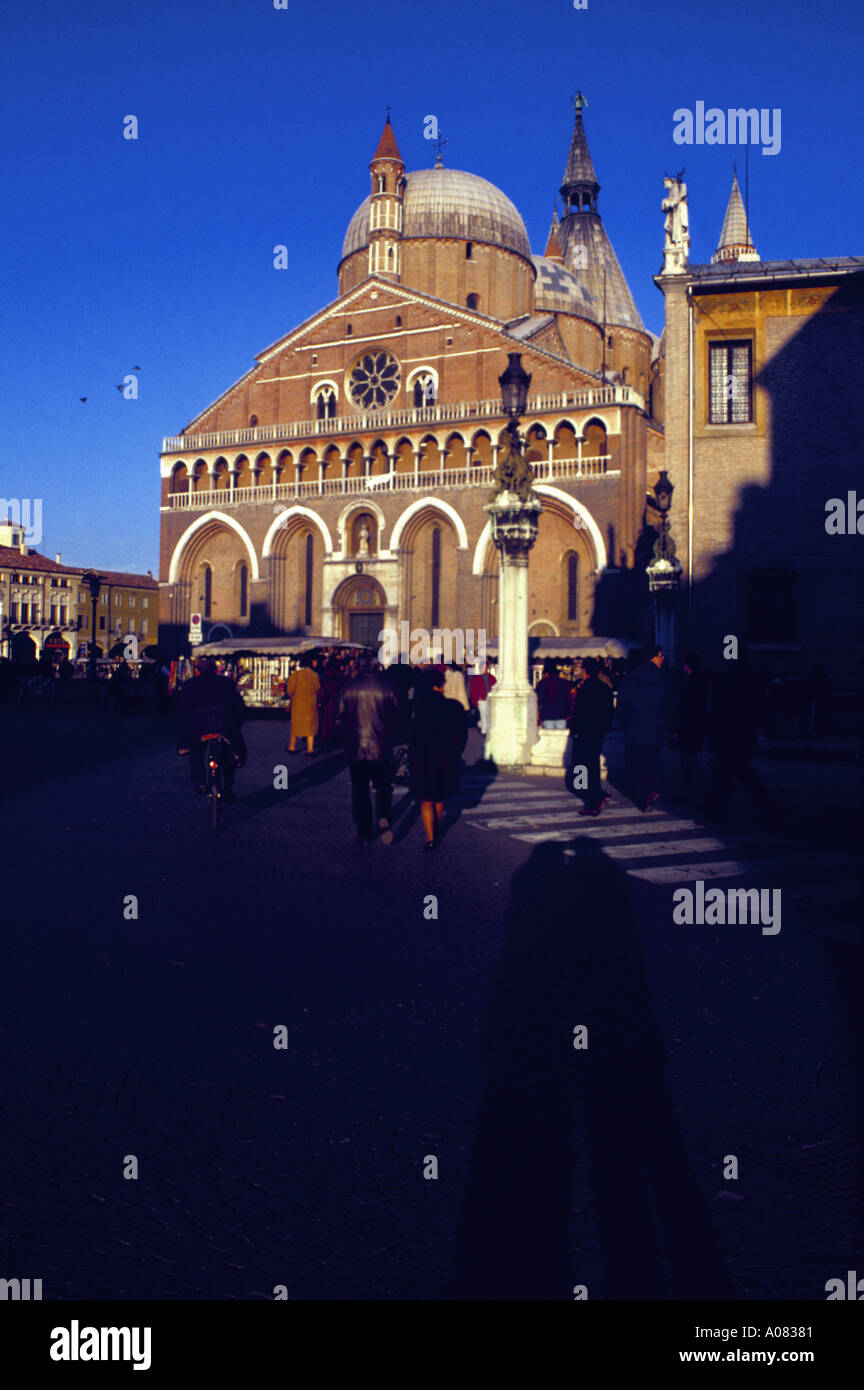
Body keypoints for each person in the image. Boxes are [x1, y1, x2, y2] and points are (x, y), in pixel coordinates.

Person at [706, 647, 781, 825]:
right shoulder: (751, 679)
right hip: (742, 733)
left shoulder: (725, 679)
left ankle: (720, 811)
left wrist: (713, 735)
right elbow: (759, 708)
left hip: (729, 733)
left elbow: (718, 709)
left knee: (728, 774)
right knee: (737, 772)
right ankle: (766, 807)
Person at [335, 662, 401, 845]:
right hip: (382, 746)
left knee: (360, 790)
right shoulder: (389, 687)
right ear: (378, 668)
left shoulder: (348, 687)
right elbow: (399, 715)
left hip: (356, 748)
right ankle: (383, 816)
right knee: (384, 785)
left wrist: (347, 740)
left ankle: (364, 831)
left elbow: (338, 718)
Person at [409, 667, 469, 850]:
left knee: (425, 799)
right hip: (444, 757)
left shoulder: (417, 707)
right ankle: (437, 828)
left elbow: (410, 734)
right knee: (439, 797)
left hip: (422, 756)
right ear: (439, 685)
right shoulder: (453, 707)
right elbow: (461, 735)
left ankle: (430, 837)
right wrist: (455, 753)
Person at [176, 655, 247, 800]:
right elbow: (239, 707)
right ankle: (228, 784)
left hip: (198, 728)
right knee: (230, 750)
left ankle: (200, 781)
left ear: (198, 670)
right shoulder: (227, 683)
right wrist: (237, 723)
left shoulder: (189, 685)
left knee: (195, 752)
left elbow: (181, 710)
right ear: (215, 669)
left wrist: (185, 726)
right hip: (224, 726)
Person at [615, 643, 674, 812]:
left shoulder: (630, 677)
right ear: (652, 657)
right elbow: (670, 705)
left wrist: (625, 725)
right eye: (660, 656)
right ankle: (650, 791)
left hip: (635, 730)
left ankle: (645, 793)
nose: (662, 659)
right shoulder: (664, 678)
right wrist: (670, 727)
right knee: (653, 763)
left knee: (638, 764)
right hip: (657, 730)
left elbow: (621, 706)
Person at [568, 656, 614, 815]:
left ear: (585, 670)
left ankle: (592, 800)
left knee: (582, 767)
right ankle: (596, 796)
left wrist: (576, 731)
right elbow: (609, 713)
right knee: (592, 765)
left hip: (584, 733)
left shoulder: (584, 689)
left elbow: (578, 713)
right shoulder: (605, 689)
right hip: (598, 733)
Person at [671, 651, 710, 800]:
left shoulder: (688, 684)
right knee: (692, 757)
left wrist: (677, 729)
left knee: (688, 759)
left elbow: (683, 708)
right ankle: (695, 788)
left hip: (687, 725)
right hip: (697, 724)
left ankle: (692, 789)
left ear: (687, 666)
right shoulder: (702, 681)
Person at [285, 654, 320, 754]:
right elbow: (318, 689)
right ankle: (310, 748)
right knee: (310, 727)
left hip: (298, 704)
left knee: (296, 726)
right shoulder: (315, 675)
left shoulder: (296, 674)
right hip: (311, 704)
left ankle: (292, 747)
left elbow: (290, 690)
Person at [536, 658, 571, 729]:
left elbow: (539, 700)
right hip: (562, 715)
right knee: (561, 738)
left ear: (546, 673)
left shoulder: (542, 683)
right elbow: (568, 699)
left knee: (549, 738)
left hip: (547, 716)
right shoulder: (564, 683)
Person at [469, 662, 497, 735]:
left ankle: (480, 724)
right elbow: (473, 690)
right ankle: (484, 730)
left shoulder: (492, 677)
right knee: (483, 714)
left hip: (490, 699)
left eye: (486, 667)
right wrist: (475, 701)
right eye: (483, 667)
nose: (484, 669)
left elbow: (495, 688)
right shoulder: (476, 678)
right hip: (481, 700)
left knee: (488, 714)